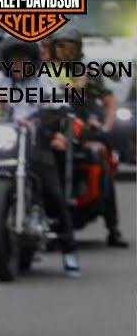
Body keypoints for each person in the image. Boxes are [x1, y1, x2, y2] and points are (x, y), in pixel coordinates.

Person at [0, 39, 81, 274]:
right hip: (3, 140)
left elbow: (60, 106)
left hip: (35, 141)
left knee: (53, 191)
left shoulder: (43, 81)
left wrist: (41, 118)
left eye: (23, 60)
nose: (18, 65)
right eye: (13, 61)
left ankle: (68, 250)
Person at [49, 28, 126, 248]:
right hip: (51, 126)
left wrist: (106, 125)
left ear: (78, 49)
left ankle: (113, 228)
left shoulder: (87, 72)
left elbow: (110, 102)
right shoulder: (42, 72)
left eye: (70, 46)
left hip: (81, 126)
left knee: (100, 158)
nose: (65, 51)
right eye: (61, 46)